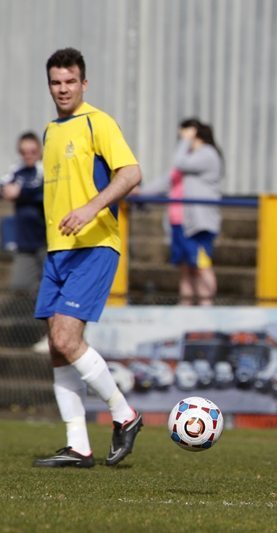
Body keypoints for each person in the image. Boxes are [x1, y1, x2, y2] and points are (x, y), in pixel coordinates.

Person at [33, 48, 143, 468]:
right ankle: (78, 445)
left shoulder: (99, 122)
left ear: (84, 83)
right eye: (56, 82)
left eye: (70, 81)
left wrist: (91, 208)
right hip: (58, 251)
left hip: (94, 246)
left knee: (66, 339)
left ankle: (124, 414)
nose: (63, 89)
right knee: (57, 349)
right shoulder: (50, 131)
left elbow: (131, 173)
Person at [137, 118, 223, 304]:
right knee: (185, 268)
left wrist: (186, 139)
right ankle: (186, 306)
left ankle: (207, 306)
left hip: (198, 224)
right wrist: (140, 193)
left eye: (184, 134)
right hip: (179, 222)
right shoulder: (189, 157)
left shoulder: (207, 155)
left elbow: (179, 162)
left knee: (201, 266)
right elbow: (166, 181)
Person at [0, 132, 46, 296]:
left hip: (46, 241)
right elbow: (4, 187)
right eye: (24, 152)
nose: (28, 156)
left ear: (39, 151)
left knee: (49, 283)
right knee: (20, 284)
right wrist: (7, 192)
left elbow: (41, 192)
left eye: (32, 151)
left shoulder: (43, 170)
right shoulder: (17, 171)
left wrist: (21, 193)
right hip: (25, 242)